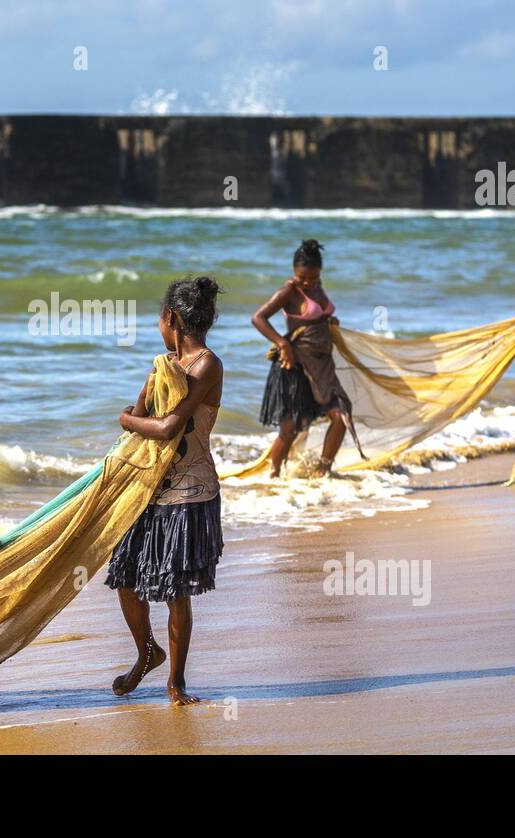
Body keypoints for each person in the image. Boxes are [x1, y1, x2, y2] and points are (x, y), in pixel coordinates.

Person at [107, 277, 225, 705]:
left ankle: (176, 682)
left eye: (159, 319)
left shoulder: (207, 365)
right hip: (150, 491)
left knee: (175, 590)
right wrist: (144, 390)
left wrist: (124, 420)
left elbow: (169, 427)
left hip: (191, 493)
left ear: (170, 318)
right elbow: (146, 420)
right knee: (125, 576)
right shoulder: (165, 367)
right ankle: (147, 652)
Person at [251, 240, 357, 477]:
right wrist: (282, 343)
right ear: (293, 272)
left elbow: (318, 316)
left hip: (321, 367)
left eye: (313, 277)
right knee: (288, 429)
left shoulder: (318, 288)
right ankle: (273, 476)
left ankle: (323, 472)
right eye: (302, 278)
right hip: (295, 368)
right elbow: (258, 318)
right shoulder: (288, 291)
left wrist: (329, 321)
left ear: (319, 273)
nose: (307, 283)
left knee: (341, 416)